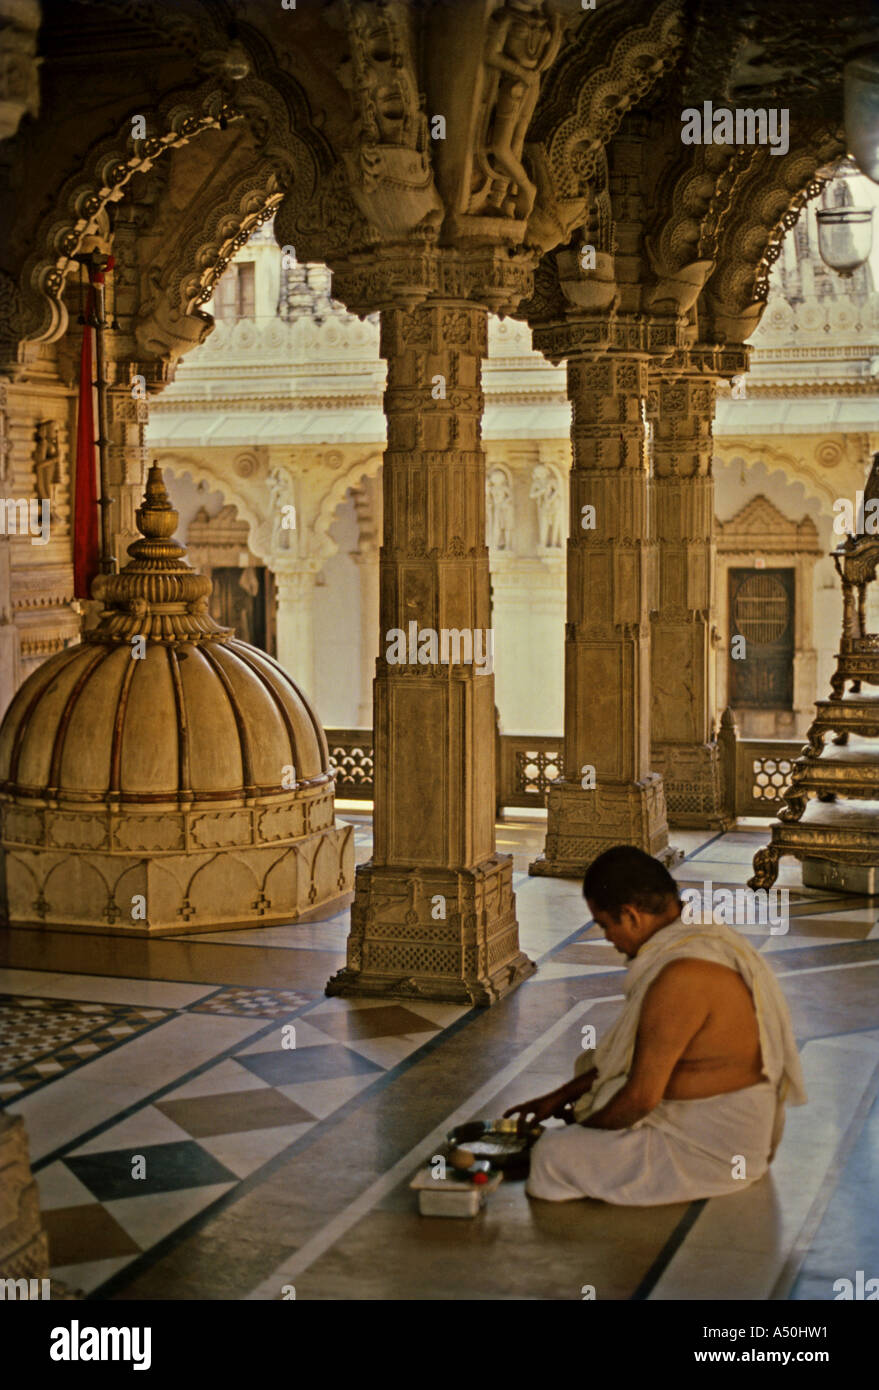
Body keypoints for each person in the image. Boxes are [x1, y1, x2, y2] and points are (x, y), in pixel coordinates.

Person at [505, 845, 807, 1205]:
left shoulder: (680, 977)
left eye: (605, 925)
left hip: (709, 1145)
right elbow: (636, 1058)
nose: (608, 939)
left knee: (551, 1156)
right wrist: (560, 1096)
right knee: (586, 1081)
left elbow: (639, 1099)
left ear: (631, 916)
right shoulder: (698, 938)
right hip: (705, 1121)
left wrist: (584, 1129)